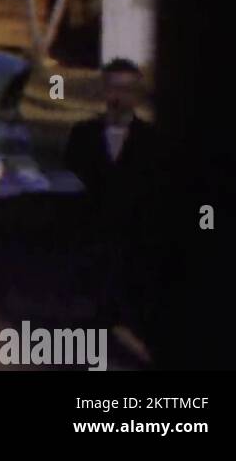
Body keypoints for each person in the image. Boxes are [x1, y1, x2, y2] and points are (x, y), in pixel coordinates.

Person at [64, 58, 160, 354]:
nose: (120, 96)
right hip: (91, 243)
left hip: (135, 246)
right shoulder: (83, 134)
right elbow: (70, 186)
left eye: (128, 89)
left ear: (138, 94)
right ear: (104, 91)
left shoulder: (152, 140)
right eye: (114, 88)